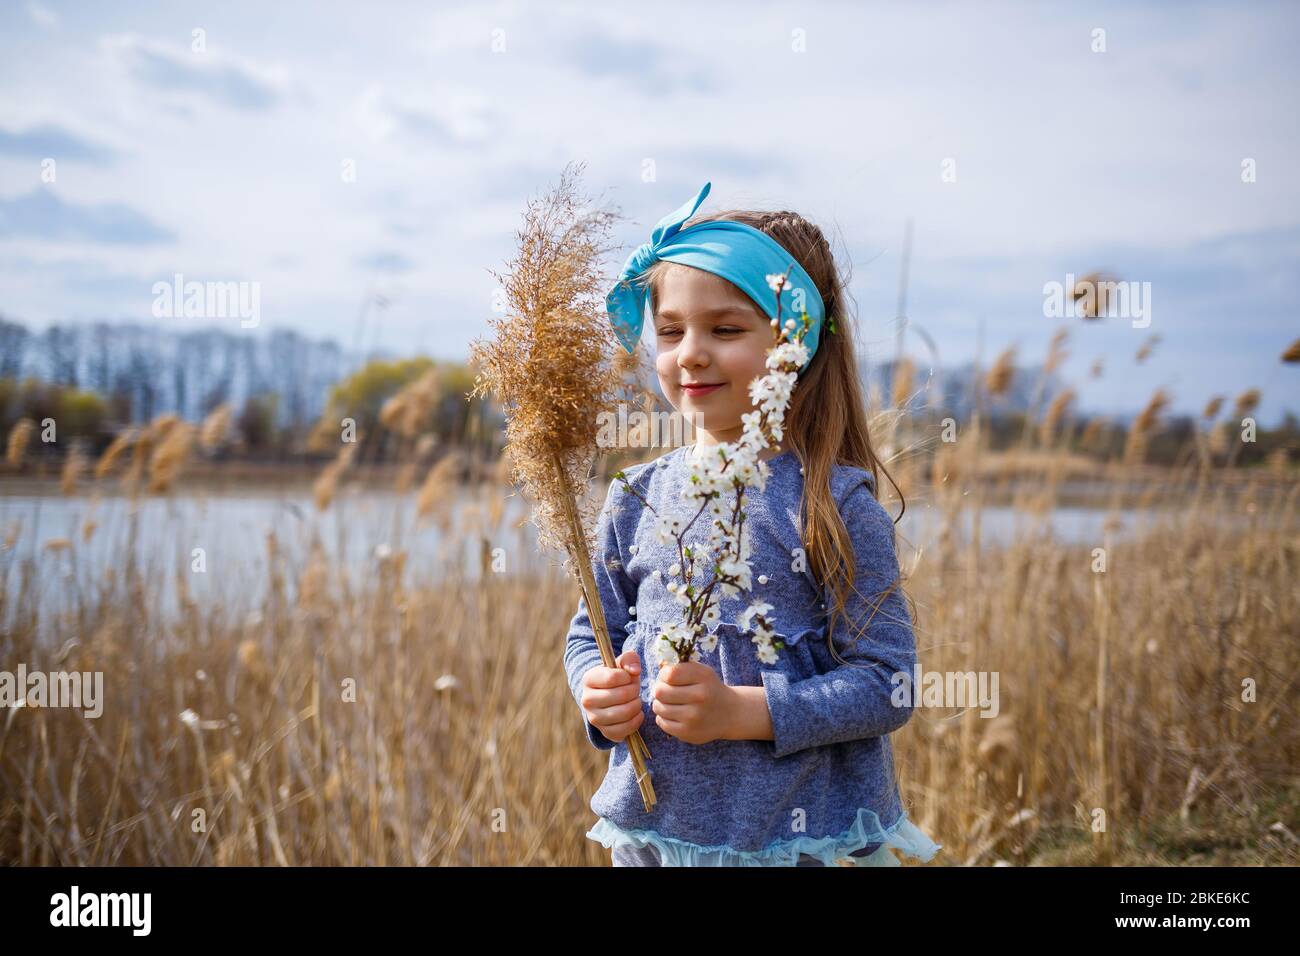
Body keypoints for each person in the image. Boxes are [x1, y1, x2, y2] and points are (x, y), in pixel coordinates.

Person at [562, 181, 942, 867]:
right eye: (671, 330)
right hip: (658, 837)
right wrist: (595, 691)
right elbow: (593, 629)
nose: (691, 353)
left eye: (726, 329)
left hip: (801, 842)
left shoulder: (834, 504)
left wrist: (744, 712)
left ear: (794, 345)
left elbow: (889, 682)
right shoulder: (634, 496)